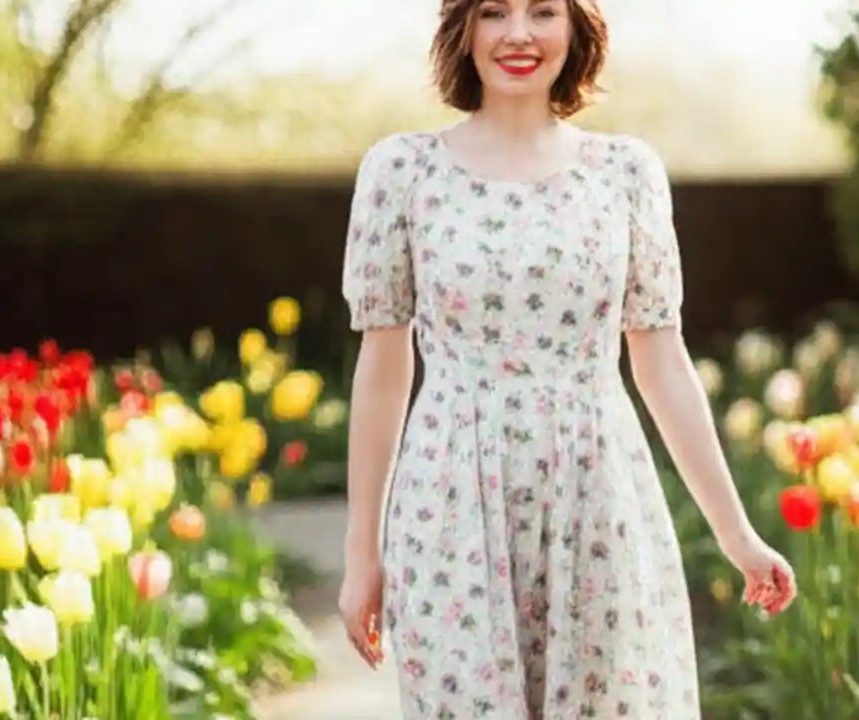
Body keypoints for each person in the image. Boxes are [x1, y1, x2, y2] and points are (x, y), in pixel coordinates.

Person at [336, 0, 796, 717]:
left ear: (577, 28)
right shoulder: (403, 171)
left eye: (543, 11)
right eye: (494, 12)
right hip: (450, 502)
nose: (518, 33)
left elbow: (662, 362)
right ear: (463, 30)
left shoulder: (625, 174)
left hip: (598, 495)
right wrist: (361, 554)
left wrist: (738, 538)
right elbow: (383, 371)